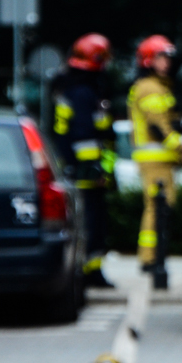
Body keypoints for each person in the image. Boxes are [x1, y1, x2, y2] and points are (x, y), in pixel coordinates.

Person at [52, 32, 116, 288]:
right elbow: (83, 136)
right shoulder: (82, 93)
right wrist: (94, 169)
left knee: (92, 220)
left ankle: (90, 270)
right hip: (86, 172)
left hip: (79, 169)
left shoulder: (74, 89)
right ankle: (90, 272)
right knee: (92, 222)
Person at [127, 35, 182, 287]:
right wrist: (180, 147)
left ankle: (153, 257)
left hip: (159, 159)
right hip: (155, 159)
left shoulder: (157, 86)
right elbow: (158, 125)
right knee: (156, 207)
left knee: (159, 207)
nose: (167, 63)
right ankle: (151, 259)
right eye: (161, 57)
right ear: (148, 60)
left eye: (168, 57)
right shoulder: (150, 87)